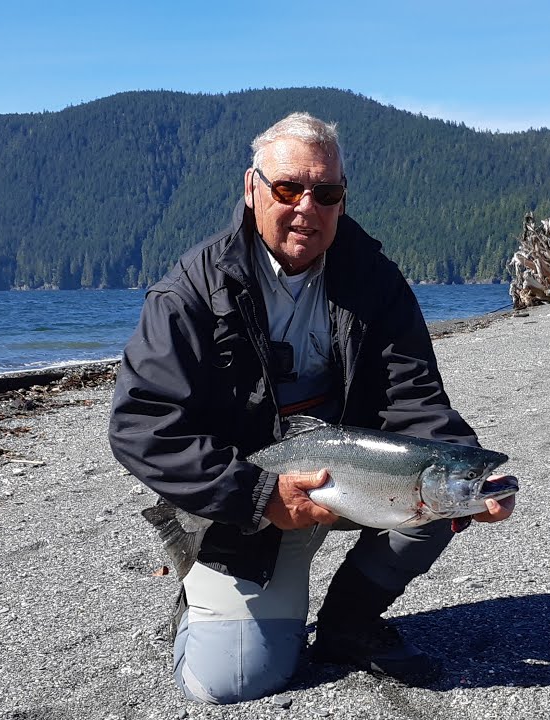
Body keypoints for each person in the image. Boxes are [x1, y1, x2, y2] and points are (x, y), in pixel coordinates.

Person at [108, 111, 515, 704]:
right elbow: (141, 424)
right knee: (231, 681)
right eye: (288, 188)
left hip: (349, 479)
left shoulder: (374, 280)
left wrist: (465, 468)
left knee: (438, 502)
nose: (307, 207)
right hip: (244, 500)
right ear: (252, 190)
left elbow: (415, 397)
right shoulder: (190, 293)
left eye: (326, 193)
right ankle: (201, 592)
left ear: (342, 200)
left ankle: (348, 627)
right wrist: (260, 497)